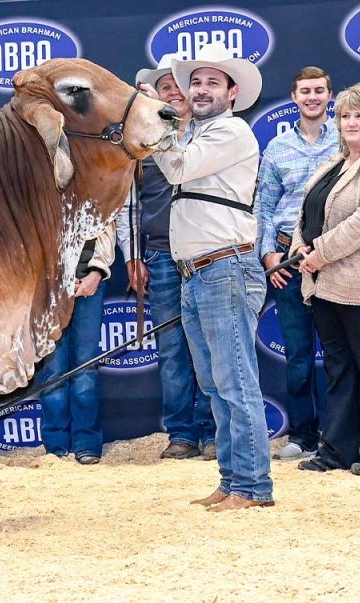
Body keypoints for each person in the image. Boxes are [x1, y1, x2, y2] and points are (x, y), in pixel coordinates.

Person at [148, 43, 273, 511]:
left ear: (232, 93)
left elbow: (177, 166)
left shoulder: (231, 130)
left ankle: (254, 487)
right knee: (216, 386)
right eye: (196, 82)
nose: (201, 90)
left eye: (212, 83)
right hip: (197, 272)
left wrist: (156, 124)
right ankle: (232, 480)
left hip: (225, 267)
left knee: (235, 383)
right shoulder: (198, 133)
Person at [123, 54, 216, 460]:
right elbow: (129, 204)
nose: (174, 93)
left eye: (179, 86)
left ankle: (213, 432)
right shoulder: (142, 144)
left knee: (210, 346)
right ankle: (182, 434)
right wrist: (133, 255)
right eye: (165, 88)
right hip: (161, 253)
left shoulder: (210, 134)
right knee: (172, 348)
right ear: (156, 96)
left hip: (206, 254)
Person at [255, 66, 338, 461]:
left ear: (329, 95)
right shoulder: (277, 148)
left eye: (319, 90)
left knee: (342, 353)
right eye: (305, 91)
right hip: (289, 260)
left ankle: (342, 436)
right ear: (294, 97)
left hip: (337, 258)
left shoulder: (346, 140)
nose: (312, 97)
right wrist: (268, 253)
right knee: (298, 353)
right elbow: (264, 205)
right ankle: (303, 435)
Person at [292, 83, 360, 474]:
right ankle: (337, 451)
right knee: (339, 368)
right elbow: (305, 214)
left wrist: (320, 252)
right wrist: (300, 248)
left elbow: (359, 225)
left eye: (359, 115)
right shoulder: (334, 164)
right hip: (324, 286)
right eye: (345, 115)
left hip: (356, 286)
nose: (351, 122)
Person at [37, 226, 116, 465]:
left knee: (85, 366)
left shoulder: (93, 199)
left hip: (89, 283)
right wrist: (55, 278)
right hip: (49, 285)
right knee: (53, 369)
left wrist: (96, 273)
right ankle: (56, 446)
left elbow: (106, 228)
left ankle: (87, 443)